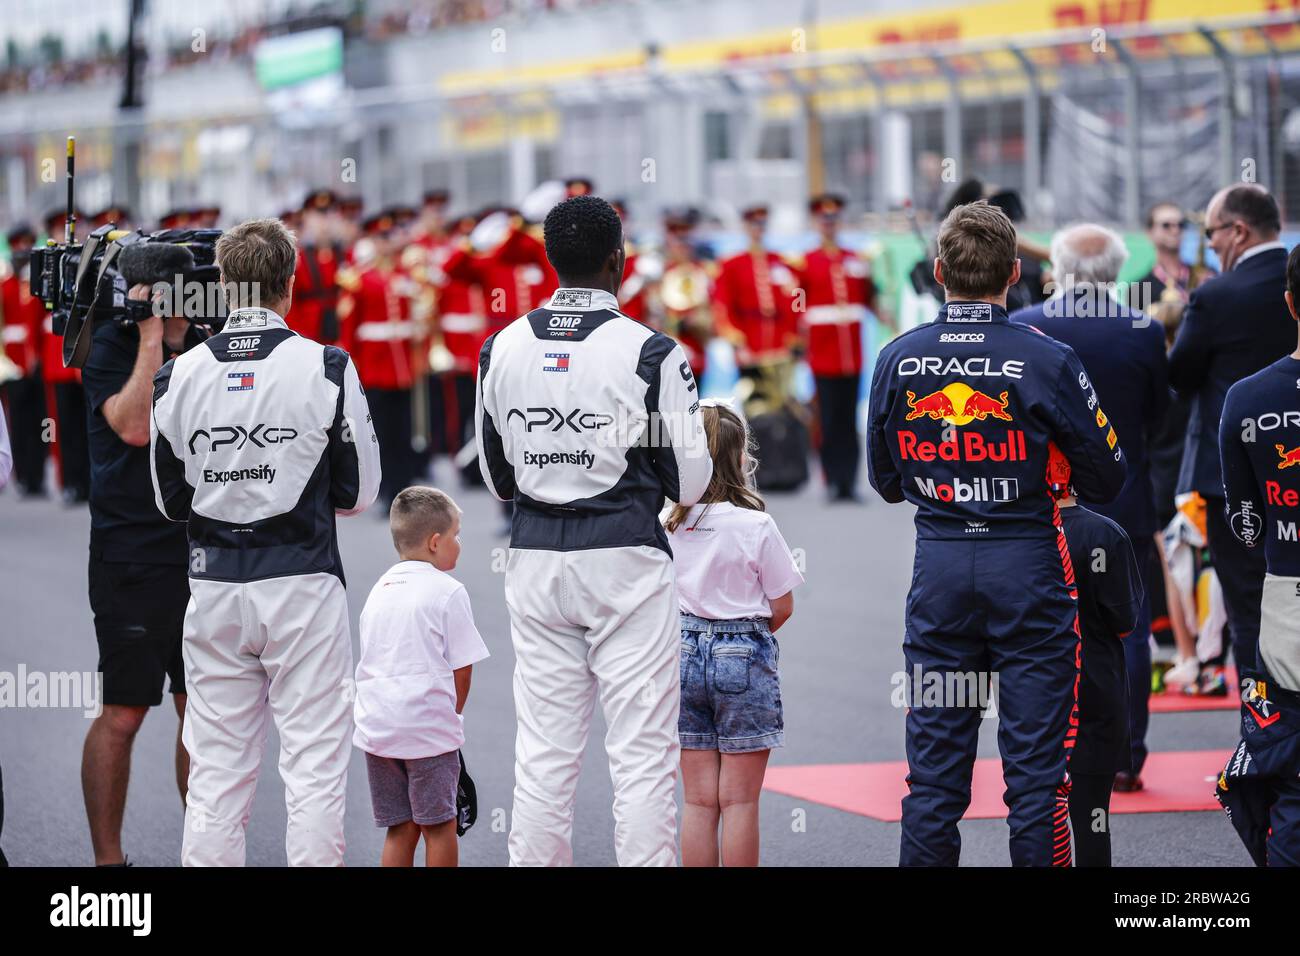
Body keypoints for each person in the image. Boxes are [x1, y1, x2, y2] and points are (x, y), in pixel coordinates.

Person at [867, 200, 1127, 867]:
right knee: (1038, 780)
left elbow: (885, 479)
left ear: (938, 271)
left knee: (932, 778)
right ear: (1014, 272)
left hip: (942, 580)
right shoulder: (1048, 357)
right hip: (1031, 575)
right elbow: (1107, 478)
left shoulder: (899, 357)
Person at [476, 194, 712, 866]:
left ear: (551, 262)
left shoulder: (501, 346)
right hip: (626, 560)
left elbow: (497, 480)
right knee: (640, 753)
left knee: (546, 749)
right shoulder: (652, 352)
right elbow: (690, 483)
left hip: (534, 560)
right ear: (619, 260)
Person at [150, 217, 380, 866]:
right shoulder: (326, 366)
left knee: (217, 777)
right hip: (302, 585)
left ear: (222, 285)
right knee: (313, 772)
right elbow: (360, 492)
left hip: (215, 588)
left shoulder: (178, 374)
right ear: (289, 285)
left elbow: (171, 501)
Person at [1010, 223, 1169, 792]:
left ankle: (1055, 754)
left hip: (1044, 503)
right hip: (1123, 500)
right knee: (1128, 629)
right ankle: (1124, 756)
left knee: (1043, 629)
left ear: (1059, 266)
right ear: (1117, 270)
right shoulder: (1144, 330)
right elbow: (1157, 414)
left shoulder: (1026, 327)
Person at [79, 275, 195, 866]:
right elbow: (132, 425)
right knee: (124, 711)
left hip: (201, 551)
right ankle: (108, 864)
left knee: (198, 710)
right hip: (130, 554)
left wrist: (185, 336)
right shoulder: (111, 343)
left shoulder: (209, 339)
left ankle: (205, 851)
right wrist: (153, 337)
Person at [663, 401, 803, 866]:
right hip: (741, 650)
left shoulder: (666, 523)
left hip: (679, 653)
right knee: (739, 801)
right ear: (741, 458)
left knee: (699, 801)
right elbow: (781, 606)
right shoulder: (756, 524)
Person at [1168, 184, 1294, 698]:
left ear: (1238, 230)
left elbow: (1179, 375)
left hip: (1233, 481)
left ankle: (1262, 741)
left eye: (1211, 233)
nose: (1210, 245)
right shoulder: (1291, 278)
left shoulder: (1216, 296)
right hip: (1291, 474)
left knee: (1247, 608)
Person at [1214, 243, 1300, 866]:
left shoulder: (1246, 398)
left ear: (1291, 303)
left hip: (1288, 601)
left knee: (1293, 774)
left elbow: (1243, 525)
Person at [354, 487, 489, 868]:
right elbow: (462, 668)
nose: (459, 544)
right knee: (440, 825)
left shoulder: (378, 590)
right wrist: (452, 717)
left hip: (378, 731)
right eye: (456, 535)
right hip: (427, 730)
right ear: (434, 542)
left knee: (400, 827)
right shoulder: (448, 591)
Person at [1046, 445, 1144, 867]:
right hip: (1096, 692)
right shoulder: (1106, 534)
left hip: (1038, 693)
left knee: (1036, 813)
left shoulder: (1018, 536)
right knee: (1092, 816)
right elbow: (1125, 621)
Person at [791, 193, 882, 502]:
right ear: (817, 223)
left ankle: (849, 481)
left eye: (833, 219)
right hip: (823, 352)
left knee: (848, 418)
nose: (829, 224)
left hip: (851, 354)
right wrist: (799, 334)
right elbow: (797, 301)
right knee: (828, 419)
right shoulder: (807, 261)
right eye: (823, 219)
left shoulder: (855, 259)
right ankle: (832, 479)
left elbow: (868, 298)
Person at [1, 223, 47, 497]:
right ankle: (22, 475)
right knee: (16, 422)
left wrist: (37, 356)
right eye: (19, 244)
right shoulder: (4, 286)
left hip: (36, 362)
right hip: (12, 361)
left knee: (40, 422)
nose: (23, 249)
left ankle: (39, 475)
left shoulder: (37, 287)